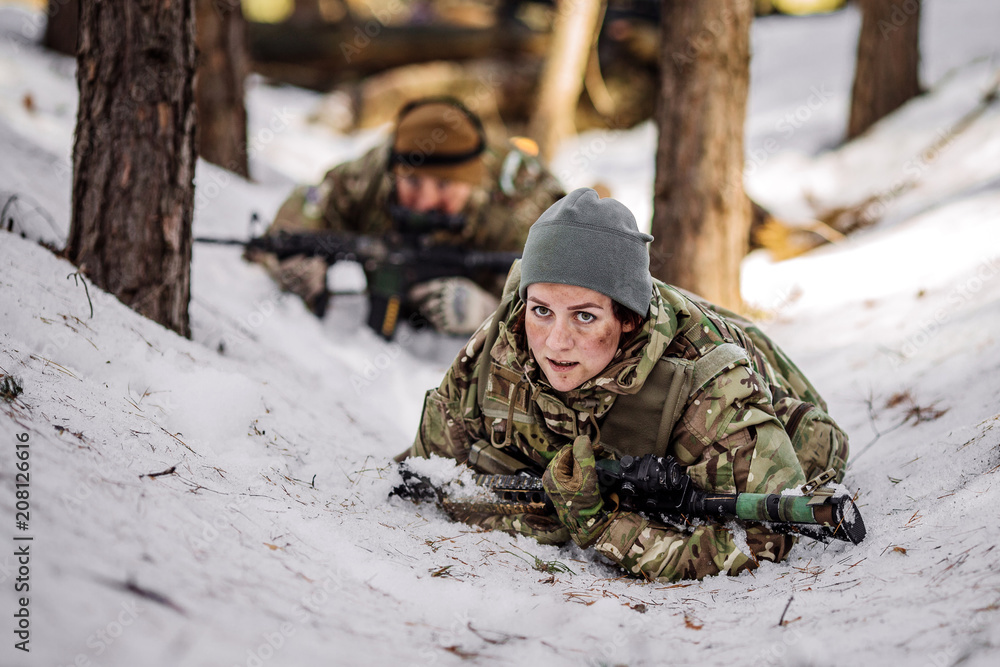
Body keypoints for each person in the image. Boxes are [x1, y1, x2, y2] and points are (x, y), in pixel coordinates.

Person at [396, 187, 851, 582]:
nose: (555, 341)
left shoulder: (706, 382)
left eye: (584, 316)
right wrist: (541, 517)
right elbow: (428, 470)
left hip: (770, 399)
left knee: (812, 447)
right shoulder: (506, 334)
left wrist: (602, 526)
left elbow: (762, 542)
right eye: (542, 311)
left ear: (628, 320)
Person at [251, 96, 566, 335]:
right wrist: (294, 264)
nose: (424, 201)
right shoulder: (374, 172)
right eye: (412, 182)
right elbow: (298, 217)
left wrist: (495, 311)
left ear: (472, 181)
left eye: (444, 185)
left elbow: (574, 289)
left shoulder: (522, 199)